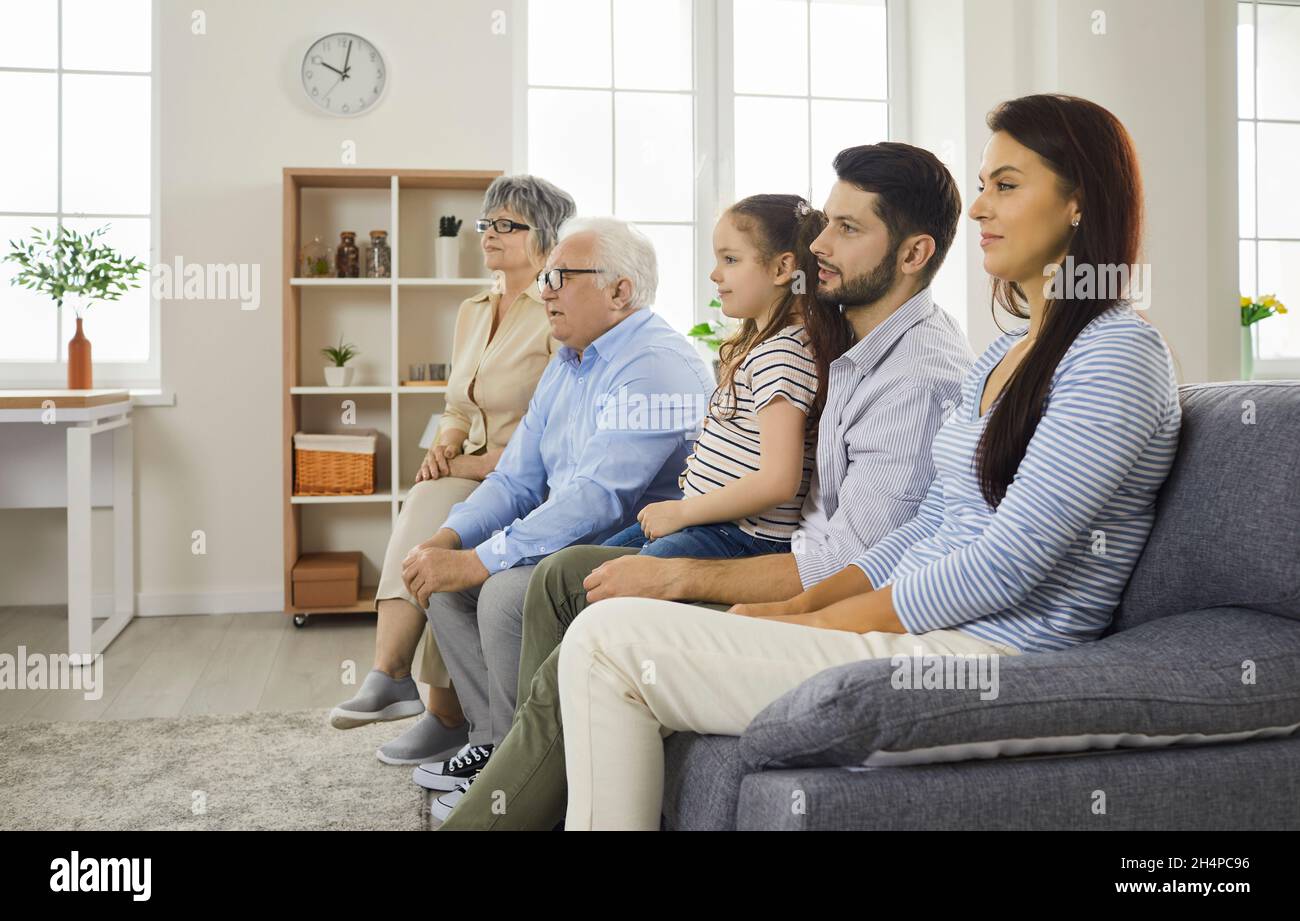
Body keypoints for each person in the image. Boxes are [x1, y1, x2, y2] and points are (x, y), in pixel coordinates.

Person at [557, 94, 1183, 829]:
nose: (981, 208)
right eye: (982, 184)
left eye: (1006, 185)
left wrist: (828, 624)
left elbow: (1007, 565)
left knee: (608, 642)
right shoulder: (1003, 355)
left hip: (989, 653)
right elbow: (930, 526)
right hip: (925, 630)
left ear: (1081, 203)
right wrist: (796, 606)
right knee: (622, 626)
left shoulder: (1117, 355)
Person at [439, 141, 974, 829]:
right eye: (825, 223)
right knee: (562, 588)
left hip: (810, 592)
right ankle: (531, 779)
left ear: (914, 253)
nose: (821, 247)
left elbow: (848, 559)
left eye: (848, 228)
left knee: (590, 642)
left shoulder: (912, 375)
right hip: (760, 554)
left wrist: (685, 577)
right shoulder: (843, 343)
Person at [403, 216, 714, 816]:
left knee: (499, 593)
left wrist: (482, 560)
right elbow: (517, 479)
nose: (543, 288)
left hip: (633, 547)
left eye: (561, 277)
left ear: (620, 291)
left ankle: (533, 780)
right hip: (571, 537)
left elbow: (600, 499)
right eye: (546, 276)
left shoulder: (654, 364)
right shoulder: (568, 362)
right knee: (445, 588)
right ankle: (498, 749)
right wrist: (447, 541)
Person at [327, 175, 575, 767]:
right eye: (486, 222)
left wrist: (471, 463)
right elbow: (457, 405)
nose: (489, 234)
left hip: (525, 477)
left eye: (507, 225)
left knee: (443, 516)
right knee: (429, 498)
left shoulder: (558, 312)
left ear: (544, 237)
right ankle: (420, 697)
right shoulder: (472, 310)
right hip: (471, 468)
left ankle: (414, 691)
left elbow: (553, 428)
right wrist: (444, 445)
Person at [601, 194, 831, 563]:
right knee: (584, 568)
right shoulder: (773, 347)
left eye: (730, 259)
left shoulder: (783, 355)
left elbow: (778, 480)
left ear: (781, 268)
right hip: (714, 526)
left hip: (740, 537)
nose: (714, 274)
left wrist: (680, 512)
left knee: (586, 583)